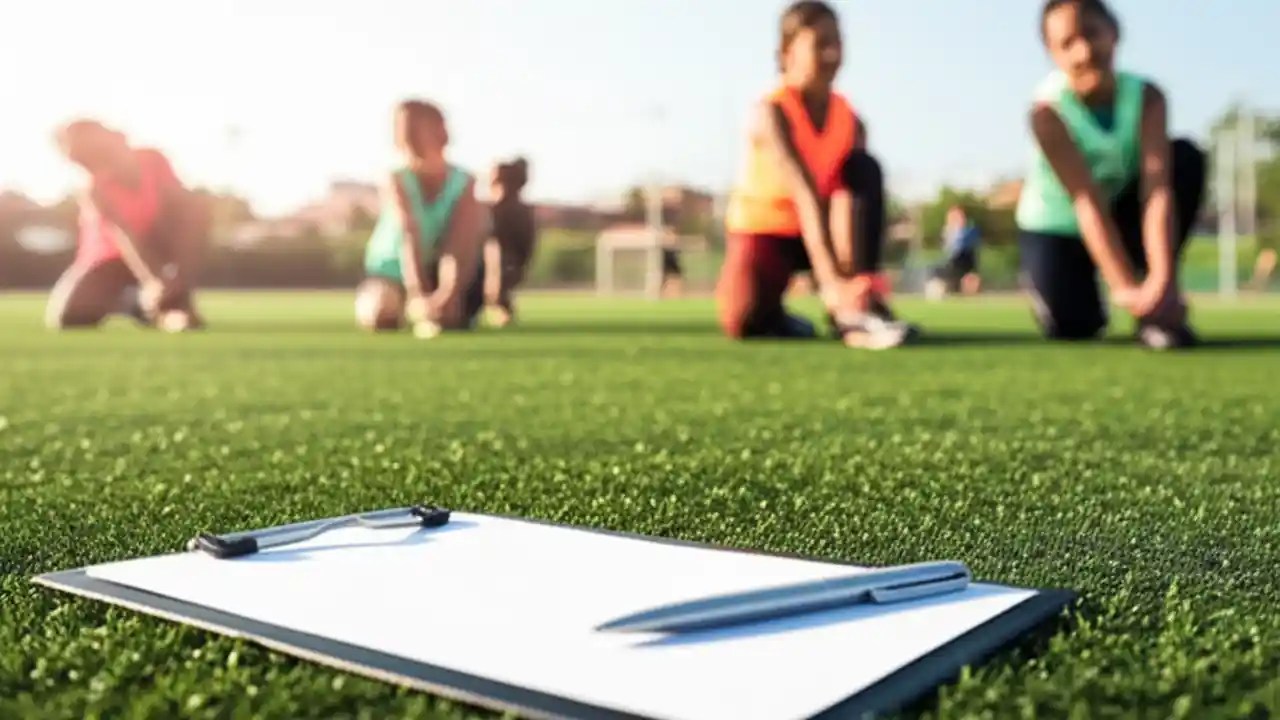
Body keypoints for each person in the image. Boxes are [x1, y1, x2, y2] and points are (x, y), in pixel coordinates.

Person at [716, 0, 917, 349]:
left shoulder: (850, 118)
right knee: (743, 319)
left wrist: (847, 285)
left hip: (825, 228)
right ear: (787, 52)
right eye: (820, 44)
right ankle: (786, 314)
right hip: (768, 229)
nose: (832, 54)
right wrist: (829, 285)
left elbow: (852, 200)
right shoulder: (771, 112)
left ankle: (860, 305)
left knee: (864, 169)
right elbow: (803, 192)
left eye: (837, 43)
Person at [1016, 0, 1206, 349]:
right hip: (1057, 227)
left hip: (1119, 210)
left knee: (1185, 158)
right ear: (1051, 53)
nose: (1085, 51)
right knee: (1075, 326)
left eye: (1092, 34)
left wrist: (1162, 281)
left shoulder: (1148, 97)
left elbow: (1156, 190)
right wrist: (1127, 292)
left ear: (1114, 33)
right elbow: (1085, 201)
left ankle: (1157, 308)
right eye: (1067, 43)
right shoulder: (1046, 113)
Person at [47, 120, 208, 331]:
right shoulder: (96, 190)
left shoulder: (154, 160)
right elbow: (128, 240)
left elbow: (184, 212)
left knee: (194, 211)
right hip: (107, 260)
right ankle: (136, 303)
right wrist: (154, 282)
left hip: (156, 242)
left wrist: (178, 279)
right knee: (69, 318)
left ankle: (175, 302)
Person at [357, 100, 486, 333]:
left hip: (439, 268)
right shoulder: (396, 178)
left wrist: (448, 293)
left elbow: (459, 245)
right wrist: (418, 293)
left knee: (452, 318)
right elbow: (410, 234)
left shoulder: (464, 182)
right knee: (381, 315)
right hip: (391, 270)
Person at [483, 157, 536, 327]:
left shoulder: (516, 213)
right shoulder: (490, 211)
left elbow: (525, 245)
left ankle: (501, 308)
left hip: (507, 262)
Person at [927, 206, 982, 298]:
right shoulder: (946, 233)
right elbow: (946, 252)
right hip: (950, 266)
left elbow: (964, 251)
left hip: (964, 266)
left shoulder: (970, 232)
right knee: (934, 271)